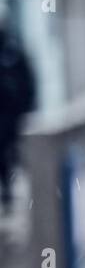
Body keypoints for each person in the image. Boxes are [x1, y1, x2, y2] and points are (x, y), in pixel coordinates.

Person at [0, 17, 36, 217]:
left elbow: (27, 83)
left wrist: (26, 109)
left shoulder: (13, 53)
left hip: (11, 116)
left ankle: (10, 193)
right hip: (9, 116)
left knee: (10, 156)